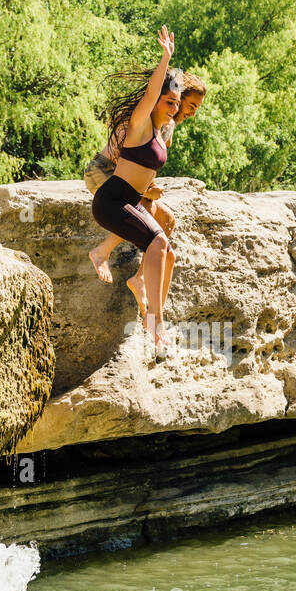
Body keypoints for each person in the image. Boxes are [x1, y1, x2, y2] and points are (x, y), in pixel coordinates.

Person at [89, 26, 183, 352]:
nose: (174, 108)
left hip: (129, 201)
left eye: (177, 103)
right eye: (169, 101)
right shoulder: (141, 123)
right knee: (157, 242)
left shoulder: (161, 131)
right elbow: (151, 92)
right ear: (157, 100)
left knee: (167, 252)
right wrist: (166, 58)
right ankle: (156, 324)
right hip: (111, 200)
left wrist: (150, 189)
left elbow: (144, 171)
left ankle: (154, 316)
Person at [85, 72, 206, 312]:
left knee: (168, 221)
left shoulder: (167, 126)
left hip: (127, 183)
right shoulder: (145, 118)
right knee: (145, 208)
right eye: (189, 105)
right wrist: (146, 191)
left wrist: (150, 186)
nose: (191, 112)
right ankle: (102, 251)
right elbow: (126, 159)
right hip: (104, 172)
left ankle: (140, 279)